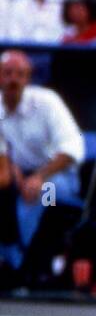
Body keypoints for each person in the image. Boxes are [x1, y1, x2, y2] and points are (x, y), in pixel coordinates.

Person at [0, 49, 84, 277]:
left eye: (20, 74)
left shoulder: (47, 102)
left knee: (42, 195)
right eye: (7, 73)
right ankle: (9, 255)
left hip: (58, 177)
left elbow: (72, 148)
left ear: (28, 78)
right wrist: (14, 172)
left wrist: (40, 176)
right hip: (18, 176)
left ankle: (21, 261)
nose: (13, 80)